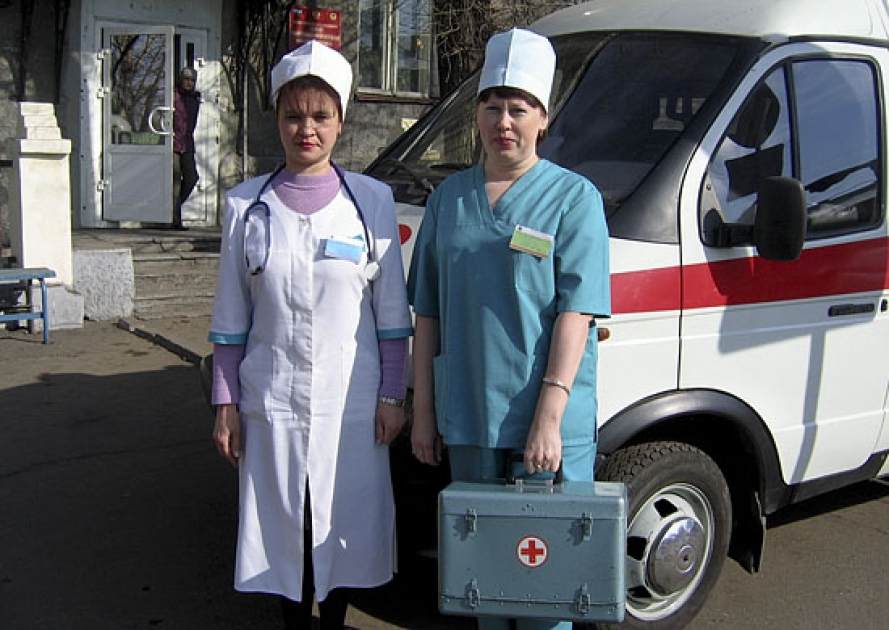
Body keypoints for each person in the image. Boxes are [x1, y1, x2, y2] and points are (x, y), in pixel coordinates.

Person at [407, 28, 611, 630]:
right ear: (475, 114)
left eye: (518, 109)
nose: (503, 122)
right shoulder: (448, 200)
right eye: (491, 106)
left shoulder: (574, 199)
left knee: (548, 591)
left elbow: (578, 311)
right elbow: (428, 312)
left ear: (542, 119)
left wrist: (548, 417)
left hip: (547, 424)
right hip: (470, 415)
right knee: (485, 586)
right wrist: (424, 412)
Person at [208, 40, 412, 630]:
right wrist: (225, 405)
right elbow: (230, 318)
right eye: (294, 115)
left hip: (351, 403)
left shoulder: (370, 201)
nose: (307, 129)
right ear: (277, 120)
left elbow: (391, 315)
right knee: (286, 532)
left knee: (342, 527)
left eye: (321, 116)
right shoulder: (245, 205)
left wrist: (392, 396)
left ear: (340, 122)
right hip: (270, 401)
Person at [172, 66, 201, 230]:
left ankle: (170, 210)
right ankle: (175, 220)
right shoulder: (174, 96)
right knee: (175, 182)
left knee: (191, 178)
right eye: (186, 79)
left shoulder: (194, 99)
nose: (189, 83)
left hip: (187, 144)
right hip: (173, 144)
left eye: (192, 80)